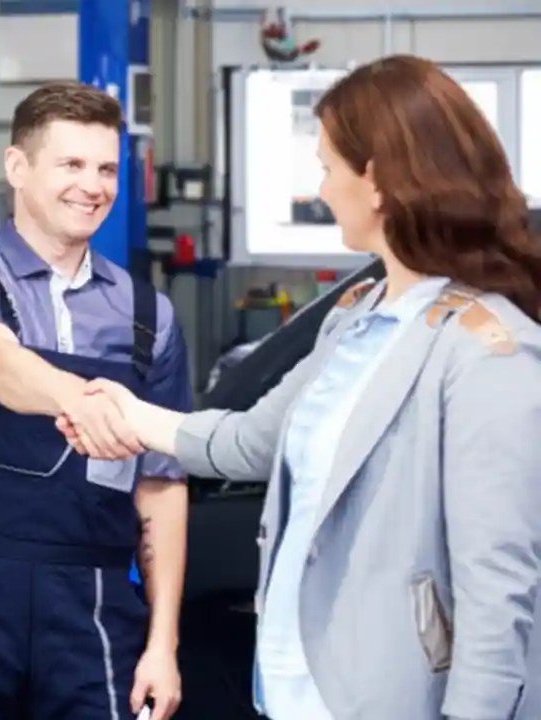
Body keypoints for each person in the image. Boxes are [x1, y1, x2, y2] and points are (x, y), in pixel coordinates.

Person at [61, 54, 541, 720]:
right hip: (292, 691)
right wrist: (129, 414)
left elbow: (499, 595)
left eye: (327, 166)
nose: (321, 188)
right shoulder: (357, 316)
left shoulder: (487, 353)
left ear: (375, 181)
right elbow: (250, 442)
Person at [0, 80, 193, 719]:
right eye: (71, 164)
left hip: (93, 598)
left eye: (106, 168)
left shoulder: (146, 316)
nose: (93, 185)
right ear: (18, 166)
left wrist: (163, 644)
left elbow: (161, 486)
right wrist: (90, 405)